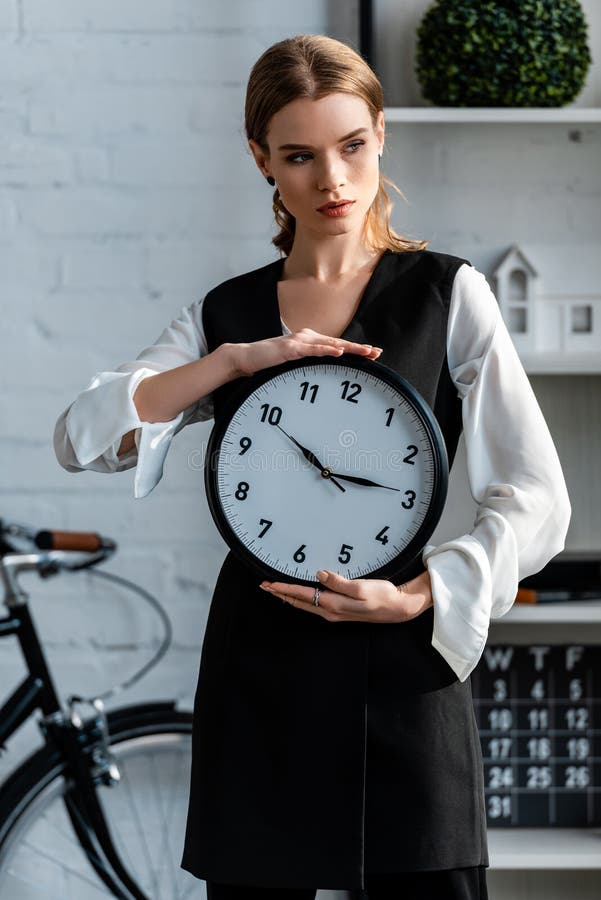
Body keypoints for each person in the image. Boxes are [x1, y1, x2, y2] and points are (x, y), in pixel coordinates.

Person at [54, 33, 571, 900]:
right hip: (260, 663)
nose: (332, 179)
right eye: (298, 155)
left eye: (351, 146)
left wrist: (418, 596)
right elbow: (82, 437)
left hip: (404, 653)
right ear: (261, 158)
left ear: (380, 135)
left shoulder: (447, 294)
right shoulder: (225, 315)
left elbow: (536, 499)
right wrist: (231, 362)